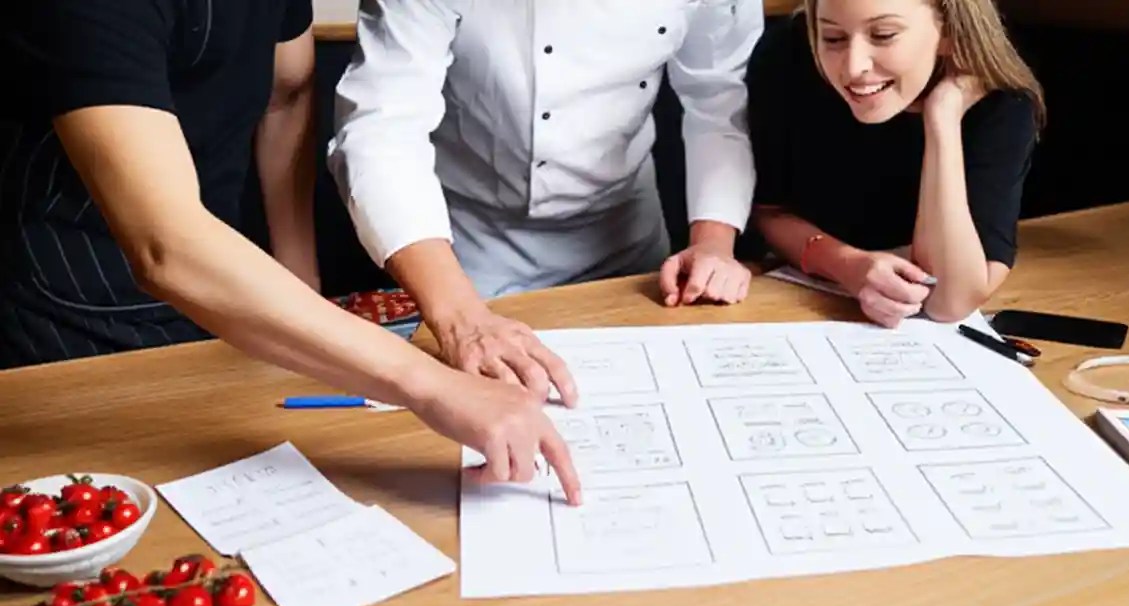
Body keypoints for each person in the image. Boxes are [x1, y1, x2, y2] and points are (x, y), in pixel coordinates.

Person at [0, 0, 581, 503]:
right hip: (73, 327)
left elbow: (289, 93)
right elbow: (167, 247)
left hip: (226, 293)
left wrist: (300, 283)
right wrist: (432, 385)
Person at [327, 0, 763, 404]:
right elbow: (381, 131)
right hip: (471, 253)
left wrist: (713, 244)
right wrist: (461, 317)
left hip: (629, 247)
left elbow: (719, 100)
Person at [747, 0, 1045, 327]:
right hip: (797, 302)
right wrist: (848, 266)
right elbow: (769, 212)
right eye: (832, 38)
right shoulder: (787, 56)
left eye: (883, 35)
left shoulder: (1002, 104)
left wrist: (942, 117)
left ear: (950, 31)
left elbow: (951, 300)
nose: (853, 67)